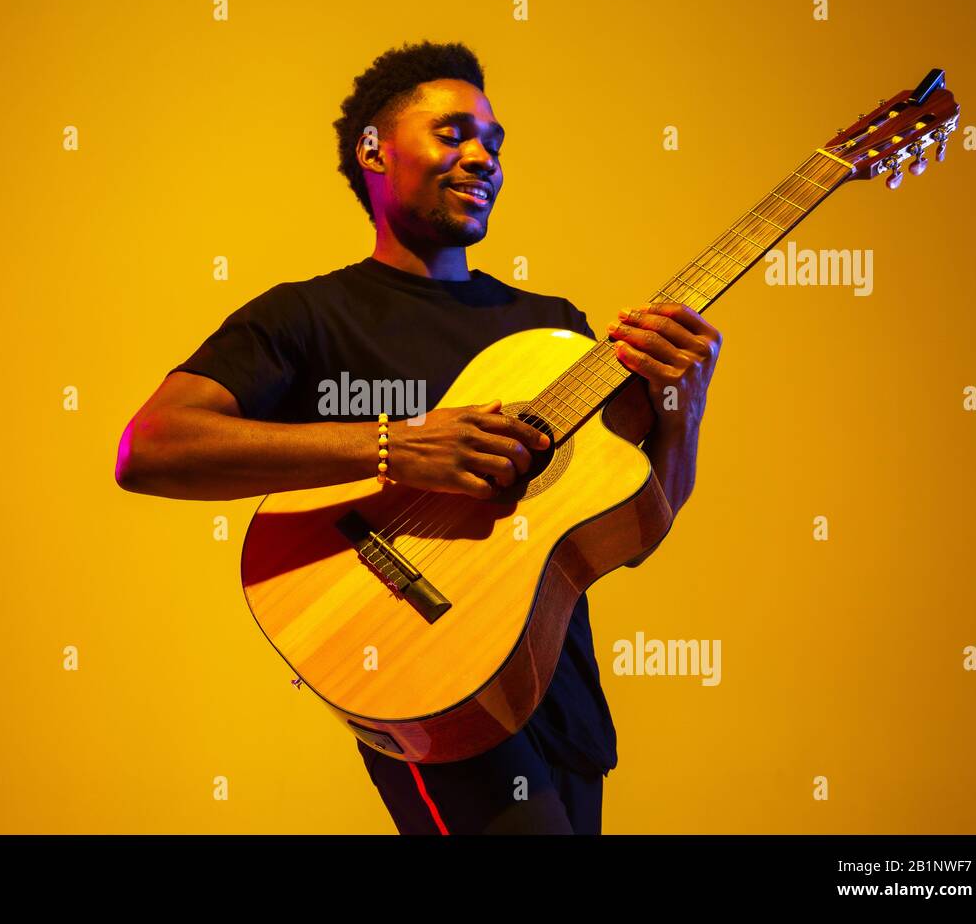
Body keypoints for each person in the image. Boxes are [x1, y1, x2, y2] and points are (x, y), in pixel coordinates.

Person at [115, 40, 721, 834]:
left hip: (562, 698)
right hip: (428, 682)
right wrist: (394, 447)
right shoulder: (305, 317)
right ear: (376, 148)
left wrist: (685, 402)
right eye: (453, 133)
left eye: (494, 144)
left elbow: (636, 530)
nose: (482, 158)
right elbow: (151, 447)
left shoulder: (554, 331)